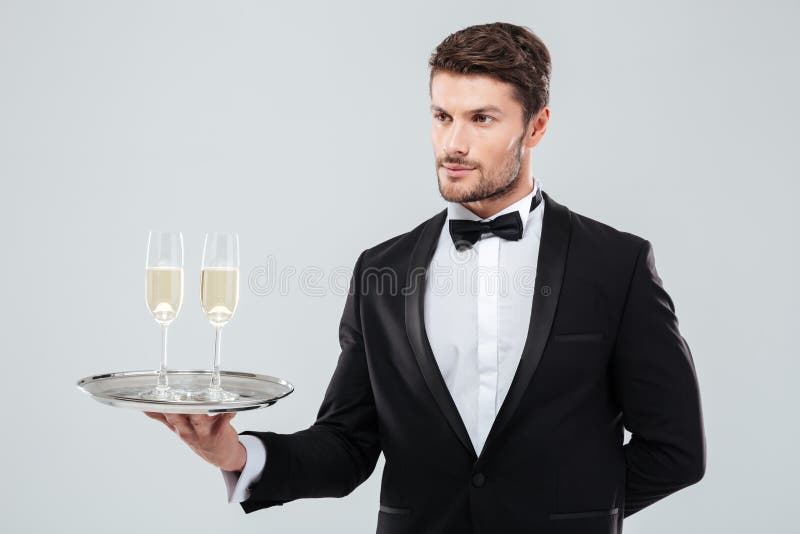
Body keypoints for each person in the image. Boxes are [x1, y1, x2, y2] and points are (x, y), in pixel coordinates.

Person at [145, 21, 706, 533]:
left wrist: (565, 512)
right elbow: (347, 445)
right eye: (442, 116)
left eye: (481, 119)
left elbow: (676, 449)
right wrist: (237, 455)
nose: (453, 144)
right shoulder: (380, 271)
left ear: (536, 126)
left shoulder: (617, 263)